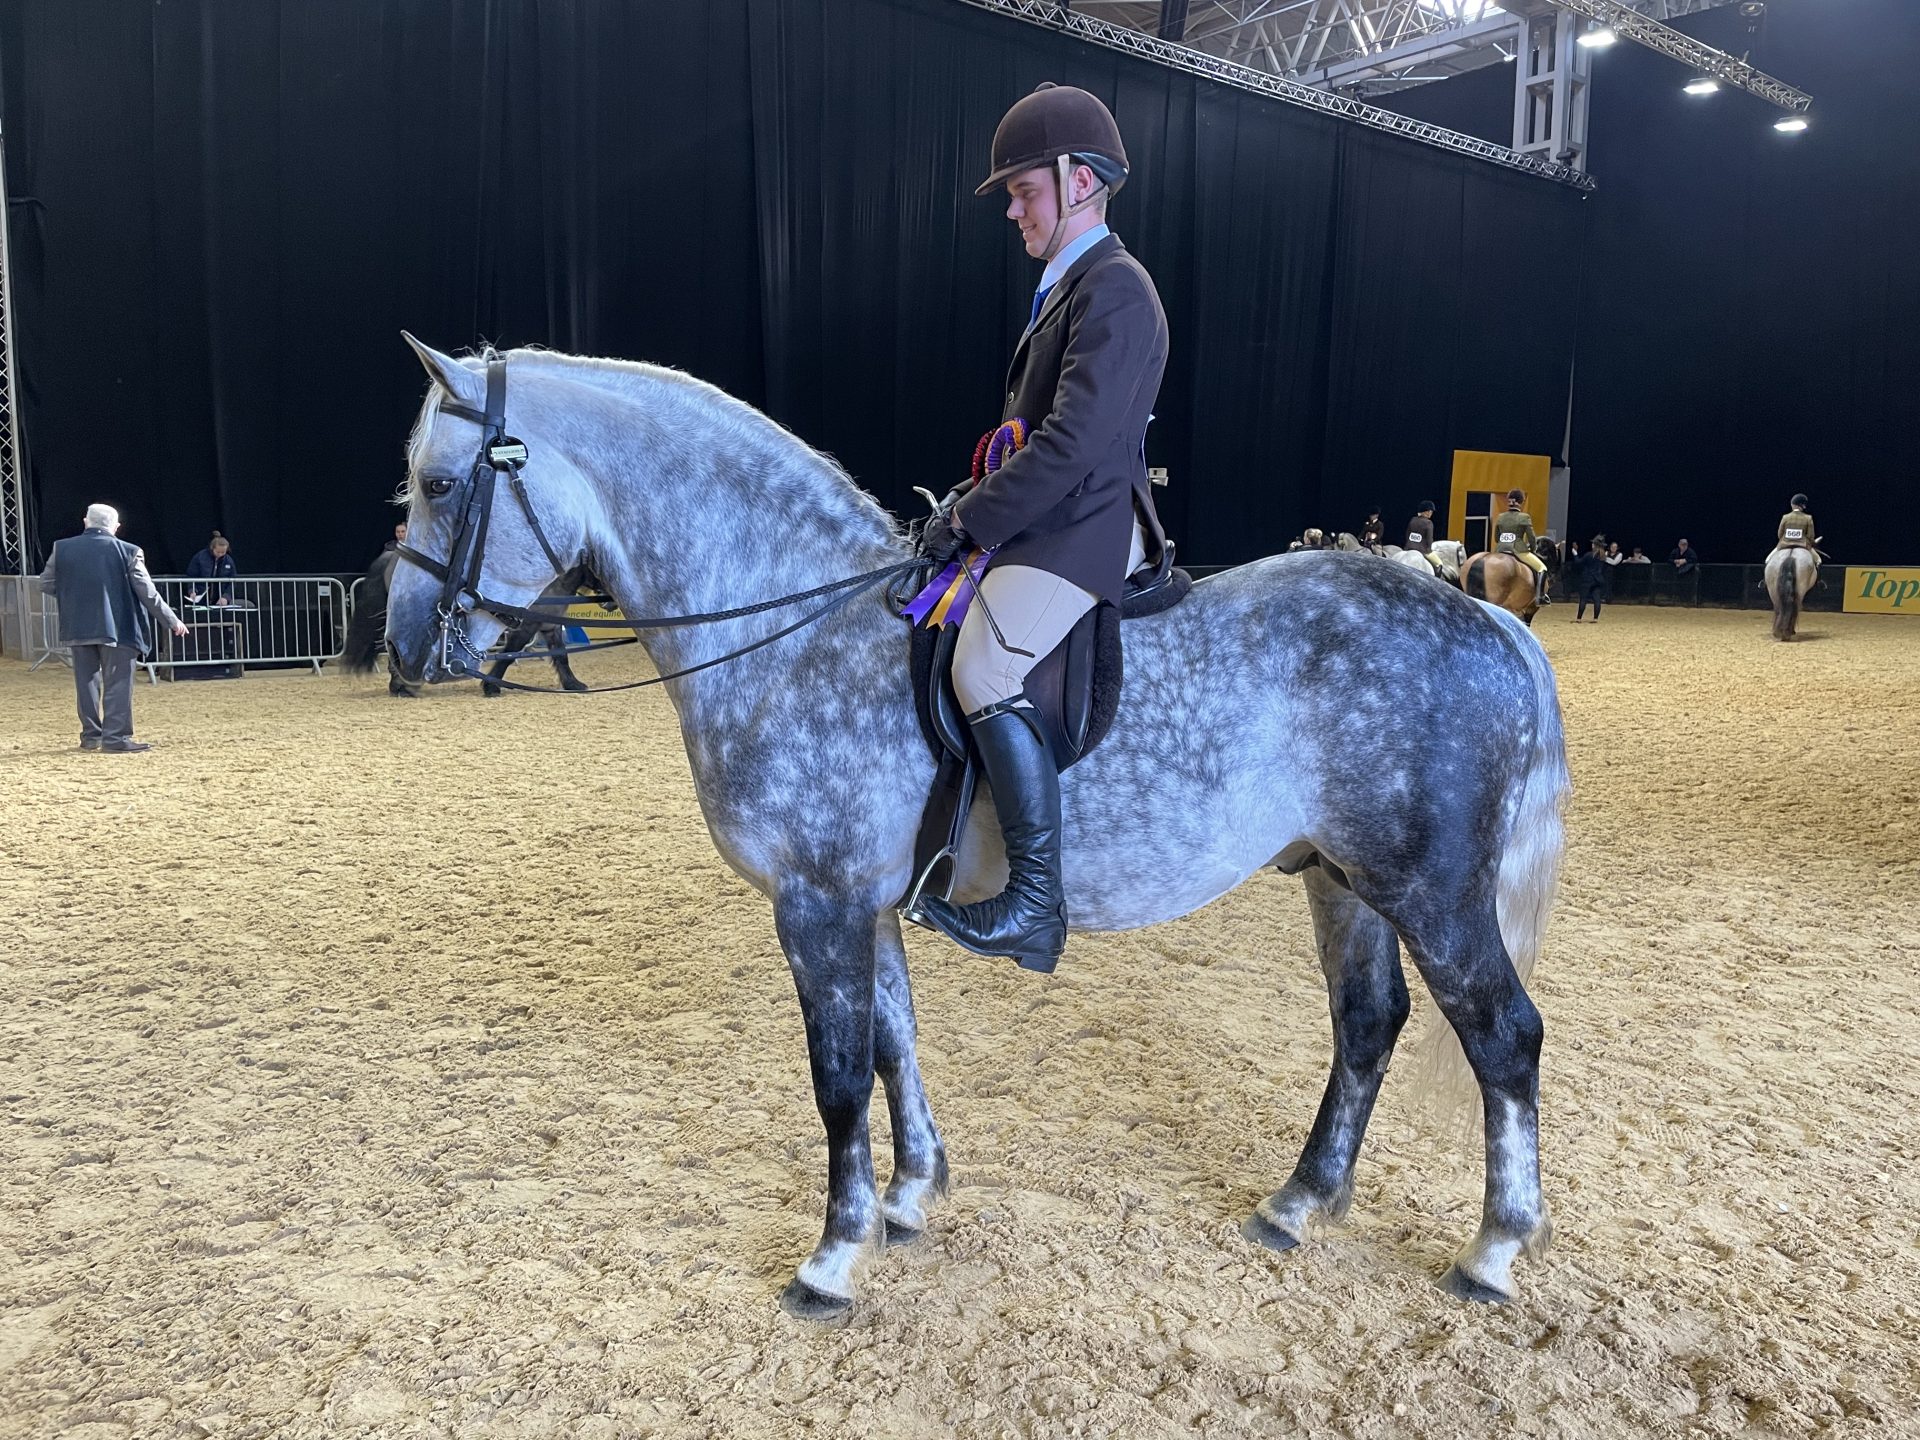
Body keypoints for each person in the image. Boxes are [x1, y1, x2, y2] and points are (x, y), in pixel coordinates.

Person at [913, 82, 1169, 974]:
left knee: (982, 664)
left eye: (1025, 190)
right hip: (1052, 516)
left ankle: (1032, 902)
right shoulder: (1069, 291)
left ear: (1081, 181)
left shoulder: (1118, 290)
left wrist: (971, 520)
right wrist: (961, 505)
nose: (1014, 210)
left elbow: (1071, 444)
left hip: (1088, 523)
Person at [37, 504, 187, 753]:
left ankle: (90, 736)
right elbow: (147, 592)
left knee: (86, 682)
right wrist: (172, 620)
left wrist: (72, 596)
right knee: (118, 682)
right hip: (119, 628)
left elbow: (45, 583)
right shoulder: (129, 551)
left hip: (77, 625)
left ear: (86, 522)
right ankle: (116, 738)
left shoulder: (61, 548)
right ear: (115, 527)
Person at [1493, 489, 1549, 605]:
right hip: (1518, 549)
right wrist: (1533, 549)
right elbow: (1531, 537)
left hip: (1500, 549)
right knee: (1542, 568)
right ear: (1521, 502)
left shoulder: (1501, 517)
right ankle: (1540, 597)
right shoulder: (1524, 517)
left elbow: (1496, 537)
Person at [185, 530, 237, 605]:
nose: (220, 554)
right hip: (200, 597)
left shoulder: (229, 561)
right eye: (218, 552)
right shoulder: (200, 557)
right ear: (212, 548)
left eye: (223, 552)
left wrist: (226, 597)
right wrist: (192, 591)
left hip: (220, 599)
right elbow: (191, 575)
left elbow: (233, 581)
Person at [1572, 533, 1611, 622]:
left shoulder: (1589, 555)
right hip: (1598, 579)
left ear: (1595, 545)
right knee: (1597, 599)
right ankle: (1595, 618)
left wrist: (1575, 554)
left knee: (1583, 599)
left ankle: (1579, 618)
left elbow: (1578, 562)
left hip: (1587, 579)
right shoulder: (1603, 556)